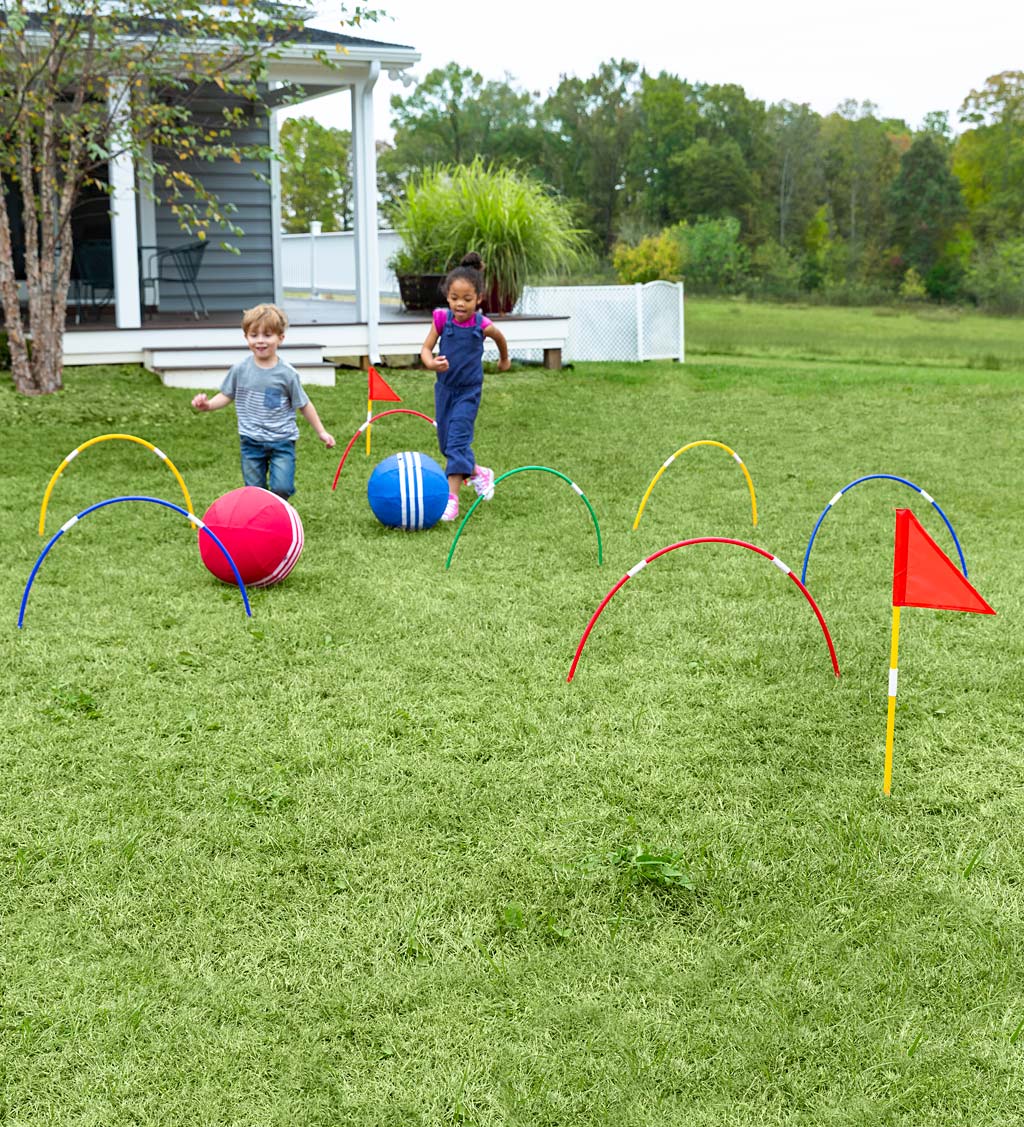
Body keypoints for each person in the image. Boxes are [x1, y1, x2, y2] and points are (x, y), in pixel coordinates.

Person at [191, 303, 335, 499]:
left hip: (282, 441)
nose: (260, 341)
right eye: (254, 335)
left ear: (280, 338)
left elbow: (304, 404)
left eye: (267, 335)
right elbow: (226, 395)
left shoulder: (287, 374)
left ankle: (279, 513)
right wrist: (207, 405)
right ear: (246, 337)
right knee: (254, 492)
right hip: (251, 441)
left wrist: (321, 432)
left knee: (281, 488)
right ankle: (261, 523)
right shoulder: (240, 370)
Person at [419, 253, 510, 522]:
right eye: (455, 298)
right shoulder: (441, 320)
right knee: (447, 445)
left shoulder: (481, 325)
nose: (460, 304)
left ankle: (452, 500)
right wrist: (431, 363)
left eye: (467, 299)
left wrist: (504, 359)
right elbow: (425, 349)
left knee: (458, 441)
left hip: (468, 392)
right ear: (448, 296)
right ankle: (479, 473)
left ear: (478, 298)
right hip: (444, 389)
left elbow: (500, 337)